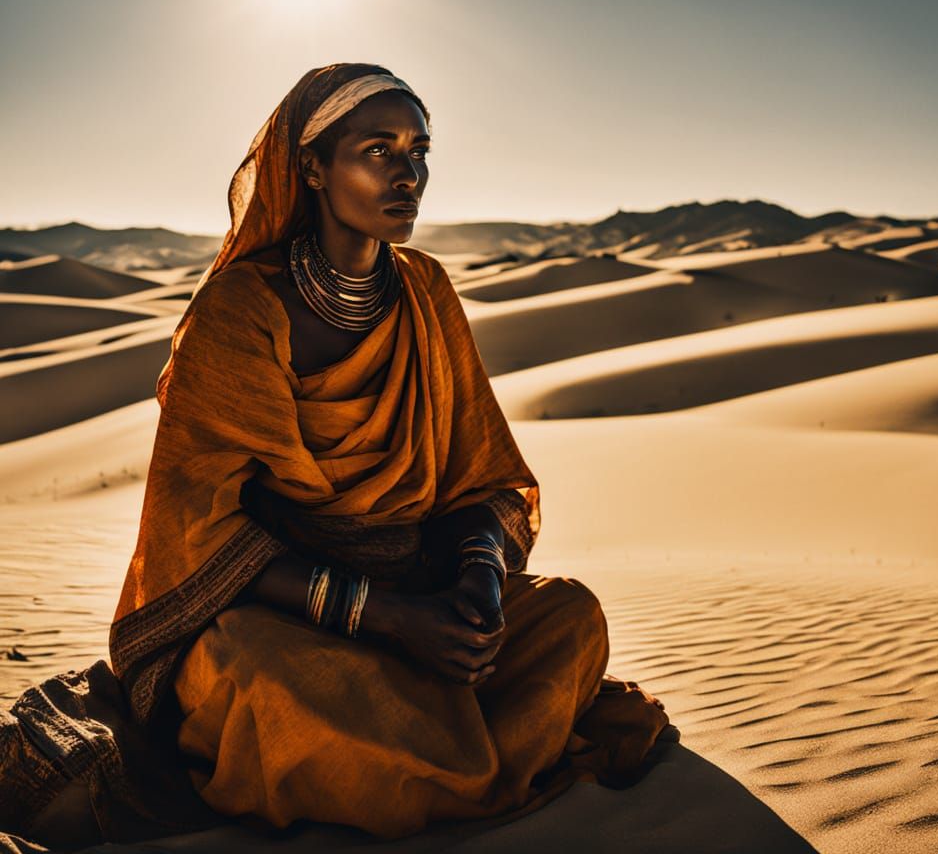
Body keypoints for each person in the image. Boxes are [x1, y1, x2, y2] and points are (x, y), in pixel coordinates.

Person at [96, 62, 673, 842]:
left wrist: (476, 588)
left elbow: (483, 474)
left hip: (419, 584)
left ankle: (423, 761)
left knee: (570, 614)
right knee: (264, 683)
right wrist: (385, 618)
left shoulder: (427, 291)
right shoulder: (239, 311)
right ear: (311, 169)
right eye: (379, 151)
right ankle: (463, 763)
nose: (410, 176)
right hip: (286, 614)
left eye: (420, 152)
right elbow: (200, 531)